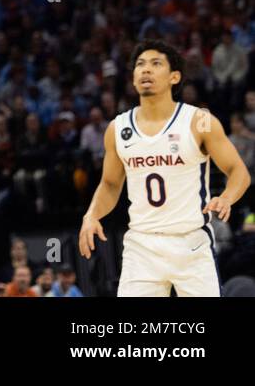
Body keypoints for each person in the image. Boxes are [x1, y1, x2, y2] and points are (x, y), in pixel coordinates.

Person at [79, 40, 252, 296]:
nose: (145, 70)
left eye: (155, 64)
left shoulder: (199, 121)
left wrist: (226, 197)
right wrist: (92, 215)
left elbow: (239, 172)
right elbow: (110, 184)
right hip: (142, 245)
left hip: (191, 242)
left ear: (174, 76)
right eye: (140, 65)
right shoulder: (118, 129)